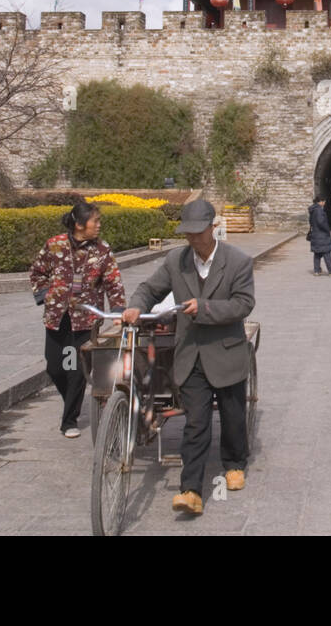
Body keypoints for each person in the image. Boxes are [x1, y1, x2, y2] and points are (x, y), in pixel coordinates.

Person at [122, 199, 255, 517]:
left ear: (213, 227)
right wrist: (136, 306)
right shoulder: (176, 261)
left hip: (225, 351)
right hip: (191, 352)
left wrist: (205, 308)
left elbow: (243, 304)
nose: (193, 240)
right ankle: (191, 490)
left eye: (199, 232)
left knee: (232, 415)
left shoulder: (238, 261)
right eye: (188, 234)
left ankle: (235, 463)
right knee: (195, 422)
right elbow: (150, 289)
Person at [29, 202, 127, 439]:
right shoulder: (55, 245)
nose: (99, 225)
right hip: (56, 317)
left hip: (85, 319)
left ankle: (69, 420)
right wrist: (45, 294)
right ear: (80, 224)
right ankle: (71, 401)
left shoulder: (102, 250)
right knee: (55, 367)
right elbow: (37, 271)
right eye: (96, 221)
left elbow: (113, 282)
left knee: (74, 367)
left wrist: (116, 311)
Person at [309, 195, 331, 275]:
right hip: (322, 234)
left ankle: (317, 270)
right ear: (321, 201)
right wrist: (327, 228)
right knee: (326, 252)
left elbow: (311, 222)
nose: (324, 203)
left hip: (315, 234)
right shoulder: (319, 210)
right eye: (324, 202)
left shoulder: (313, 210)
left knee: (317, 253)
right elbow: (321, 222)